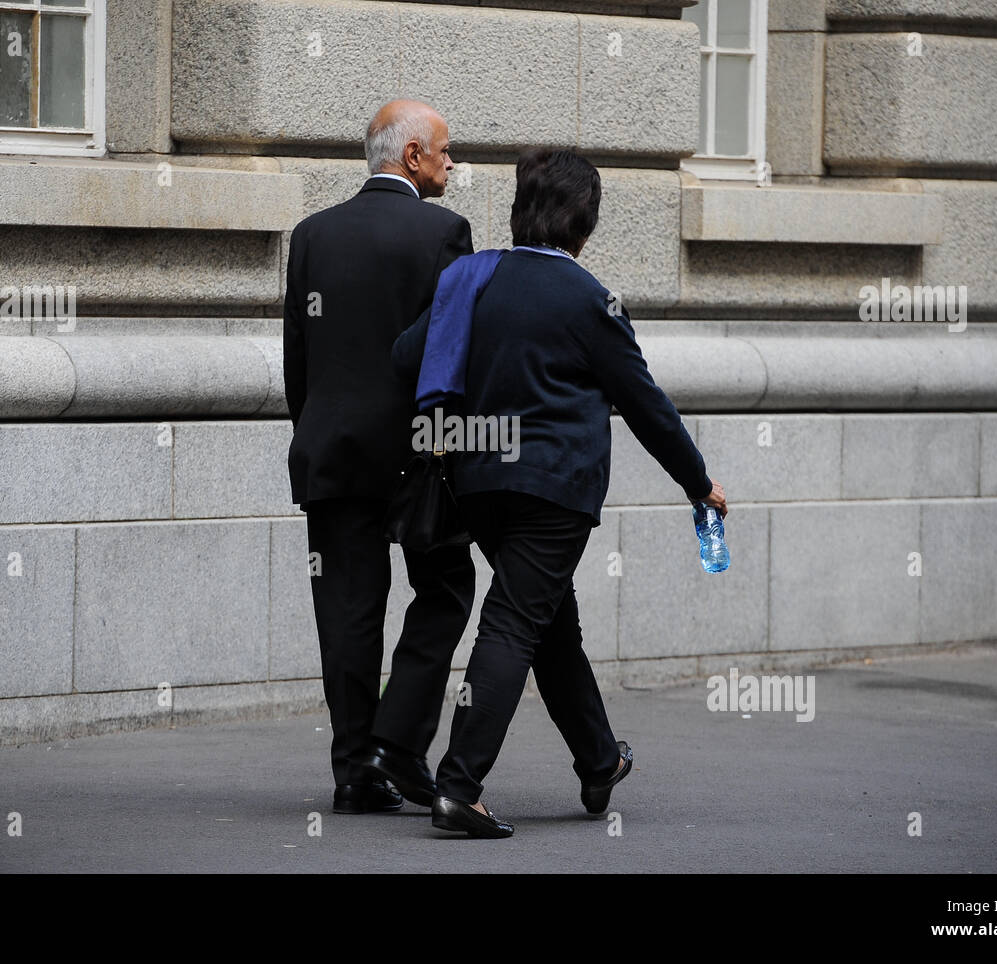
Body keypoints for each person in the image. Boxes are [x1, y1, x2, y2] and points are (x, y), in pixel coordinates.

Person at [391, 148, 727, 837]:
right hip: (554, 488)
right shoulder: (588, 299)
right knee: (515, 623)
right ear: (586, 222)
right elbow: (645, 404)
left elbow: (405, 357)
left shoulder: (475, 278)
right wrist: (700, 483)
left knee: (550, 624)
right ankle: (458, 787)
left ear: (520, 212)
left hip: (478, 480)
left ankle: (599, 760)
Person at [283, 100, 476, 815]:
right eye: (447, 151)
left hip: (331, 452)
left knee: (347, 614)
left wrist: (318, 431)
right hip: (418, 458)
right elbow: (451, 353)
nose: (452, 164)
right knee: (449, 589)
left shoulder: (312, 235)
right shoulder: (444, 232)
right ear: (415, 156)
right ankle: (401, 739)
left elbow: (297, 362)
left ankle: (354, 771)